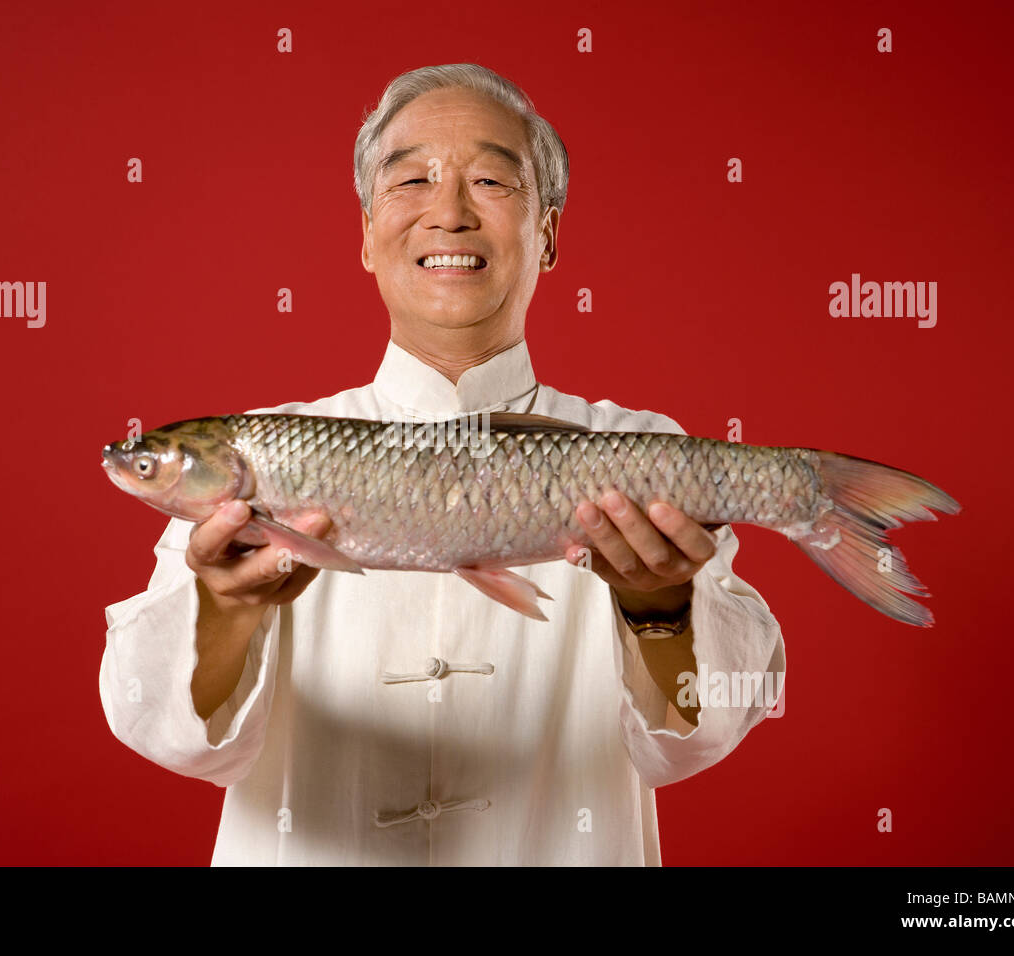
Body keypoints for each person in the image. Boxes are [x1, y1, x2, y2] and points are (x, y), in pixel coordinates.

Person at [100, 63, 785, 865]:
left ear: (548, 235)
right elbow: (163, 730)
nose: (450, 213)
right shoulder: (261, 450)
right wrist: (224, 607)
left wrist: (660, 609)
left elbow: (703, 732)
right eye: (411, 180)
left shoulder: (640, 451)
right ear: (366, 234)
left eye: (491, 180)